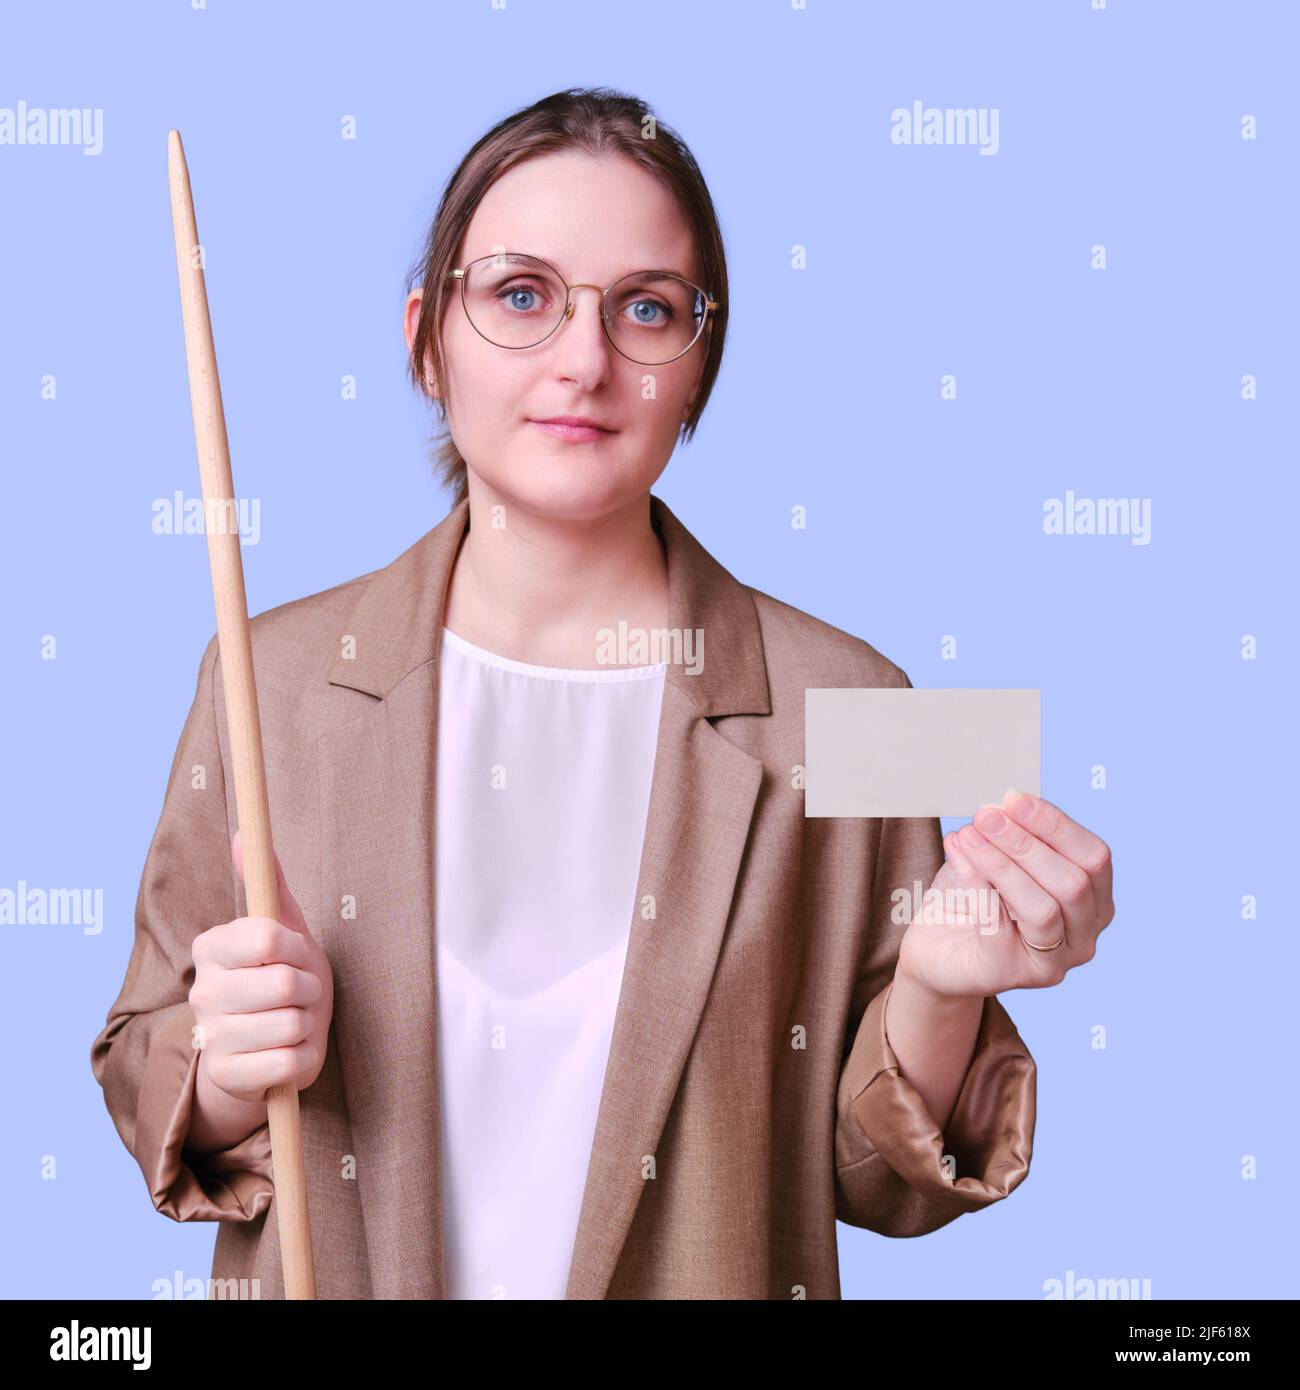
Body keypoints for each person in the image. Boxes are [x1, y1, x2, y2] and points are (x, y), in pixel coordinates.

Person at [91, 87, 1114, 1301]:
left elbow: (874, 1180)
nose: (583, 360)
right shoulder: (262, 676)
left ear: (699, 365)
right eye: (521, 295)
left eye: (644, 309)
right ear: (426, 340)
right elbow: (141, 1060)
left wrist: (943, 988)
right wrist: (218, 1069)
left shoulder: (856, 699)